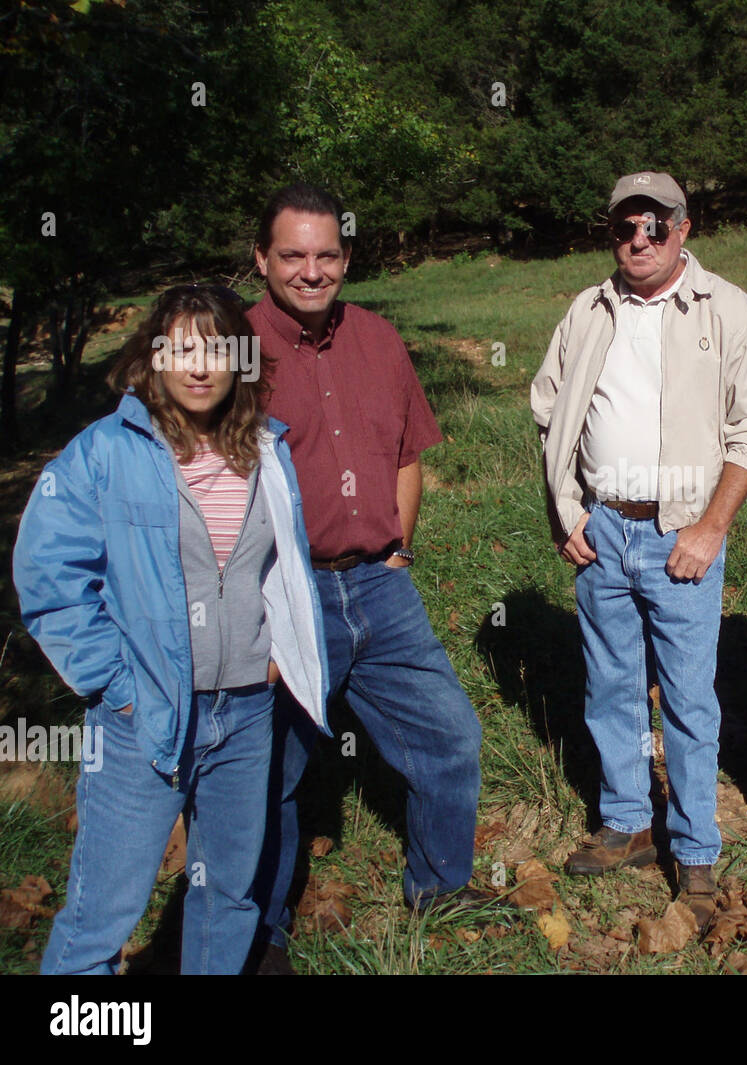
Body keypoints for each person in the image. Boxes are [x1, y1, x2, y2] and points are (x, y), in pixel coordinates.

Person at [14, 286, 327, 974]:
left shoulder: (266, 450)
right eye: (180, 347)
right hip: (144, 716)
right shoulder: (107, 451)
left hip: (245, 713)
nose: (198, 364)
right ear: (152, 357)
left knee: (229, 897)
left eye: (214, 347)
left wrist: (277, 654)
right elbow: (49, 574)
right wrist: (114, 681)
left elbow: (282, 569)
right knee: (102, 913)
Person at [531, 172, 747, 930]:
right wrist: (566, 509)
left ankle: (696, 849)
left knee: (687, 695)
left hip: (683, 529)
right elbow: (549, 410)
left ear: (684, 227)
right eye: (624, 228)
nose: (638, 240)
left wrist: (711, 527)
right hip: (603, 528)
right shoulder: (588, 309)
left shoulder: (727, 309)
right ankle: (627, 822)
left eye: (655, 225)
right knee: (609, 684)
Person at [246, 184, 484, 974]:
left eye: (325, 255)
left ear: (345, 259)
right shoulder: (233, 353)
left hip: (380, 585)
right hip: (286, 594)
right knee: (270, 773)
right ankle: (262, 932)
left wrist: (398, 549)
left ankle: (440, 885)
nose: (311, 271)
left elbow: (408, 453)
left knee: (450, 735)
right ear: (262, 260)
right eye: (292, 255)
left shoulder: (379, 338)